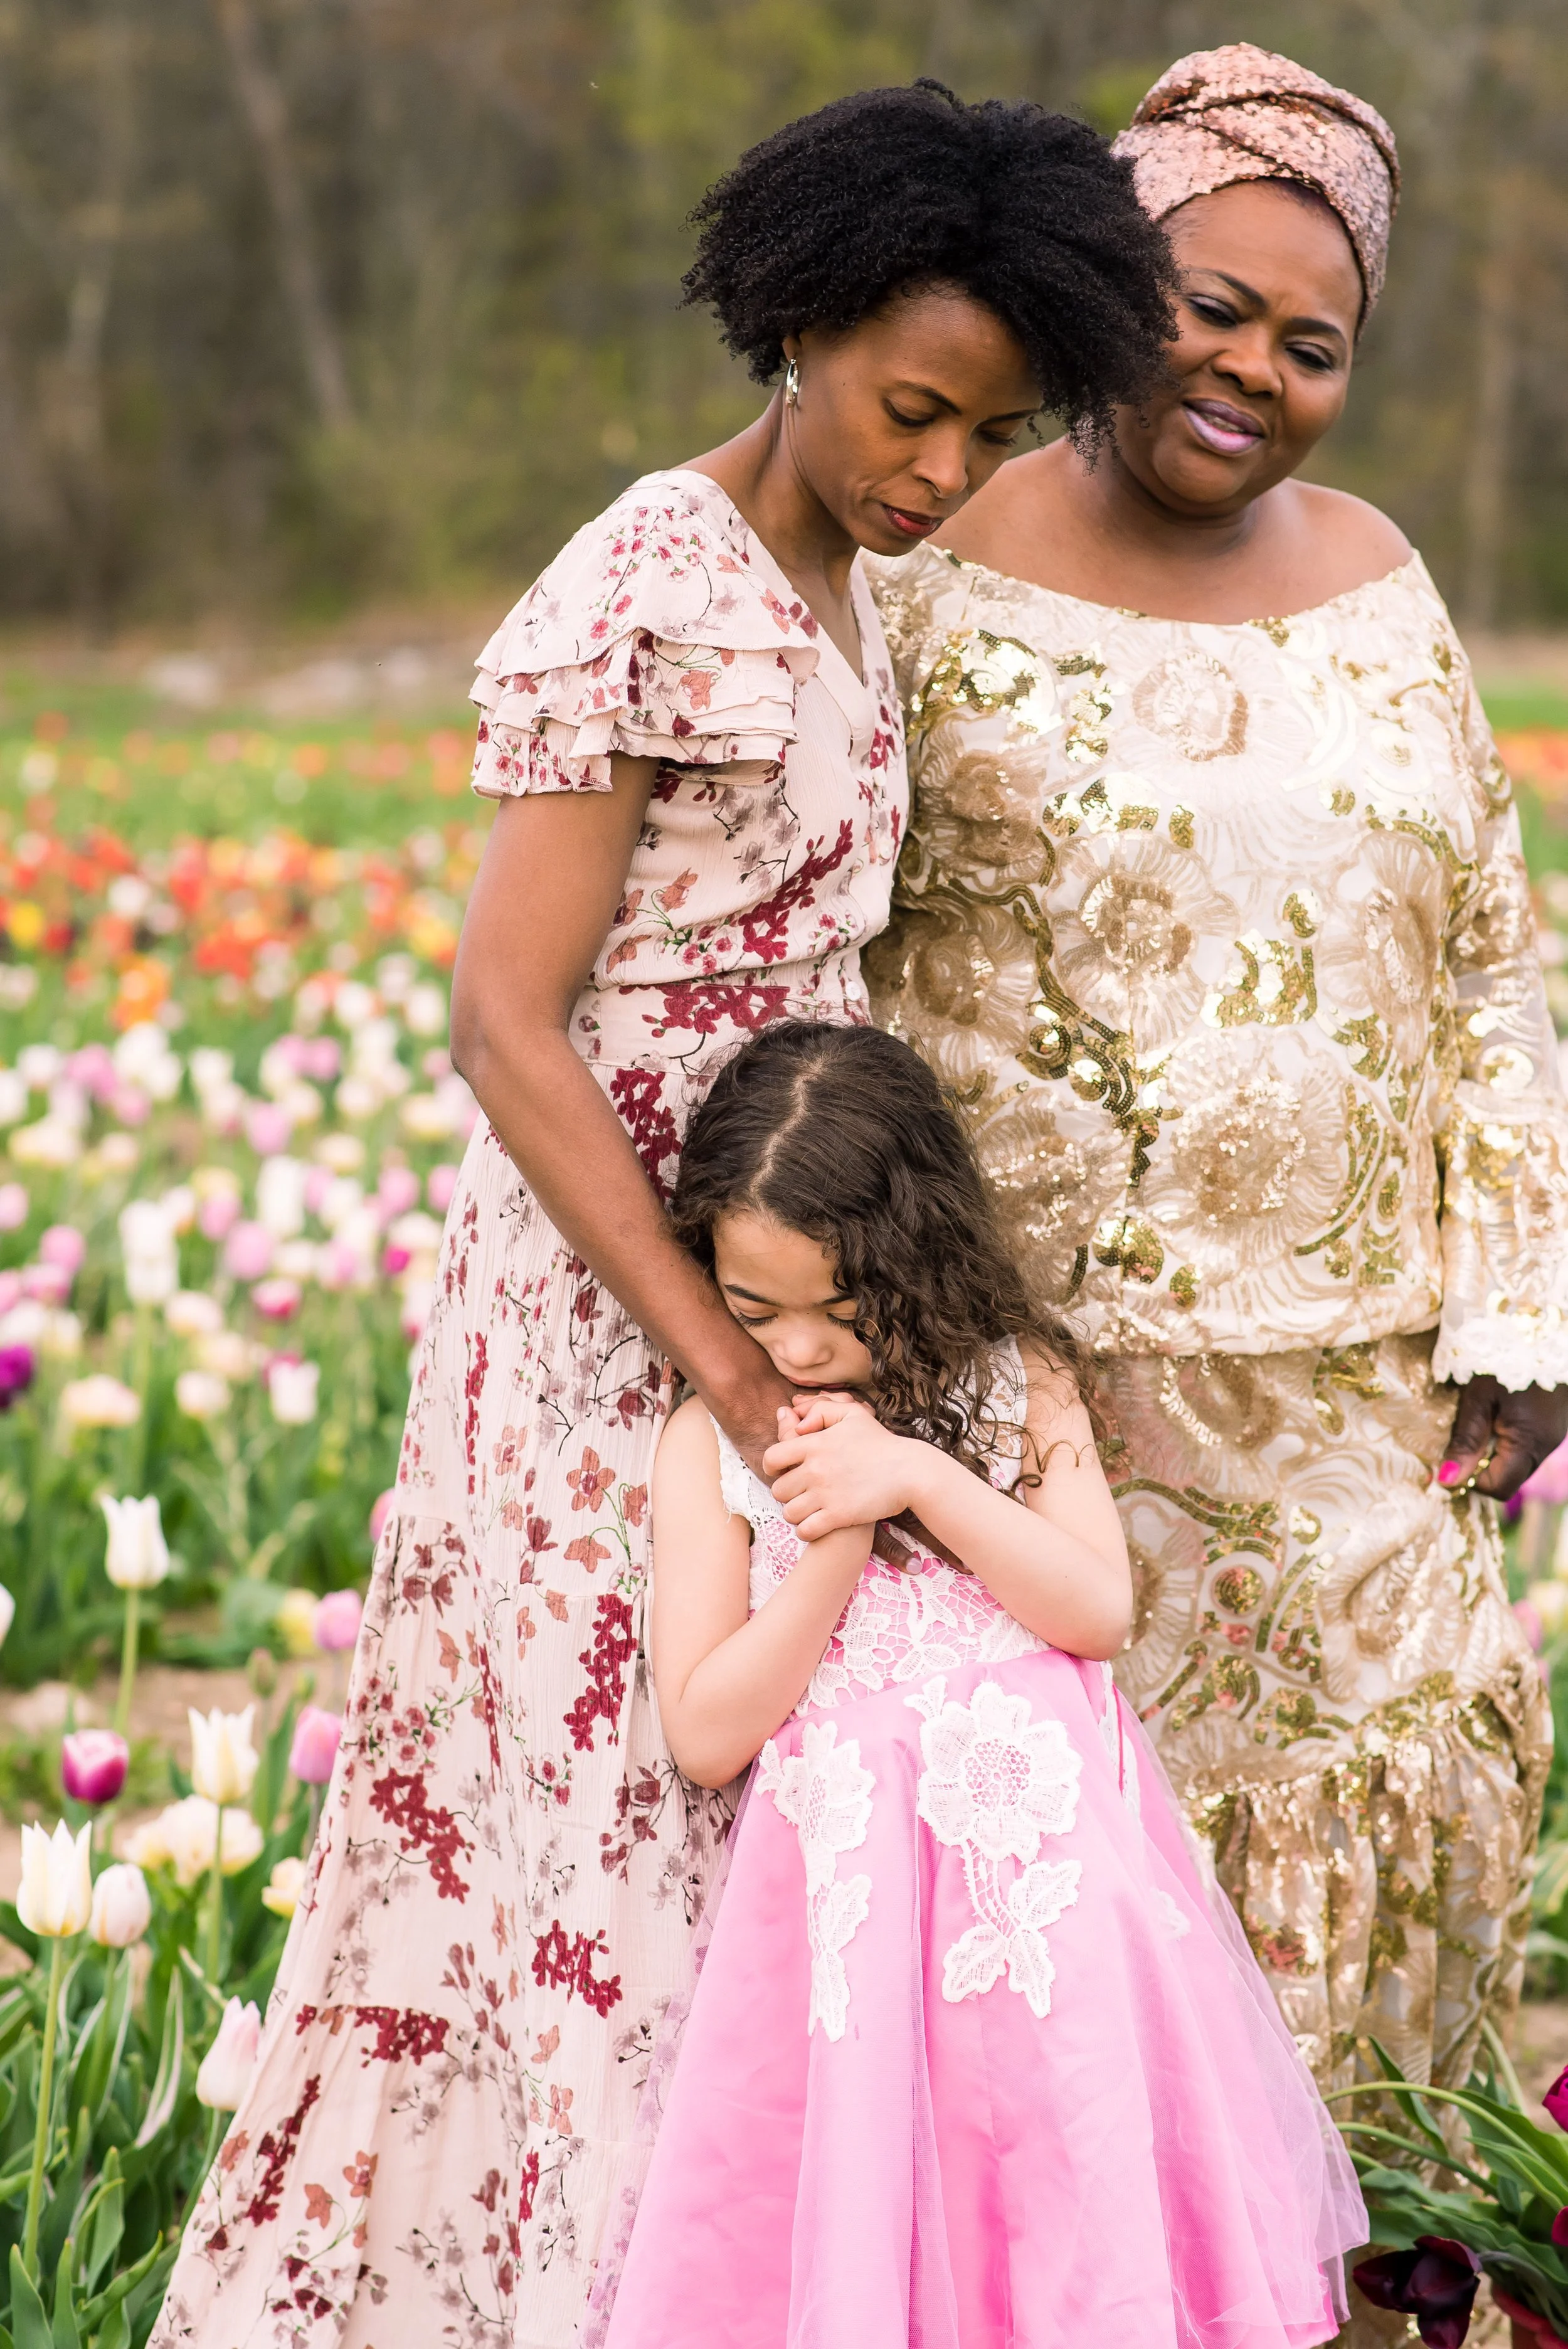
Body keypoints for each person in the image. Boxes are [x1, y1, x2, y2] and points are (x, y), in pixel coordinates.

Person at [150, 83, 1177, 2349]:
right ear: (796, 323)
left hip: (792, 1282)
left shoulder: (851, 589)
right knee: (616, 1835)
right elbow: (510, 1024)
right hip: (610, 1306)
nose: (936, 471)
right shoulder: (639, 583)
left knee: (768, 1839)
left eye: (990, 435)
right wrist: (714, 1362)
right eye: (912, 409)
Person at [868, 38, 1560, 2212]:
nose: (1254, 366)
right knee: (1071, 1962)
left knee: (1370, 1932)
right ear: (1103, 278)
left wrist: (1527, 1292)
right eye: (1209, 305)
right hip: (1039, 1429)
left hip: (1358, 1428)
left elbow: (1490, 960)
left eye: (1315, 337)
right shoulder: (926, 563)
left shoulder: (1383, 585)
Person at [584, 1020, 1367, 2348]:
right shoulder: (707, 1446)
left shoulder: (1012, 1383)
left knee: (1057, 2213)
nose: (803, 1351)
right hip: (850, 1942)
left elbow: (1095, 1608)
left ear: (912, 1257)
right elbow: (708, 1730)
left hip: (1048, 1936)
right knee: (884, 2224)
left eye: (840, 1309)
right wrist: (829, 1540)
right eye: (754, 1311)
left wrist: (916, 1479)